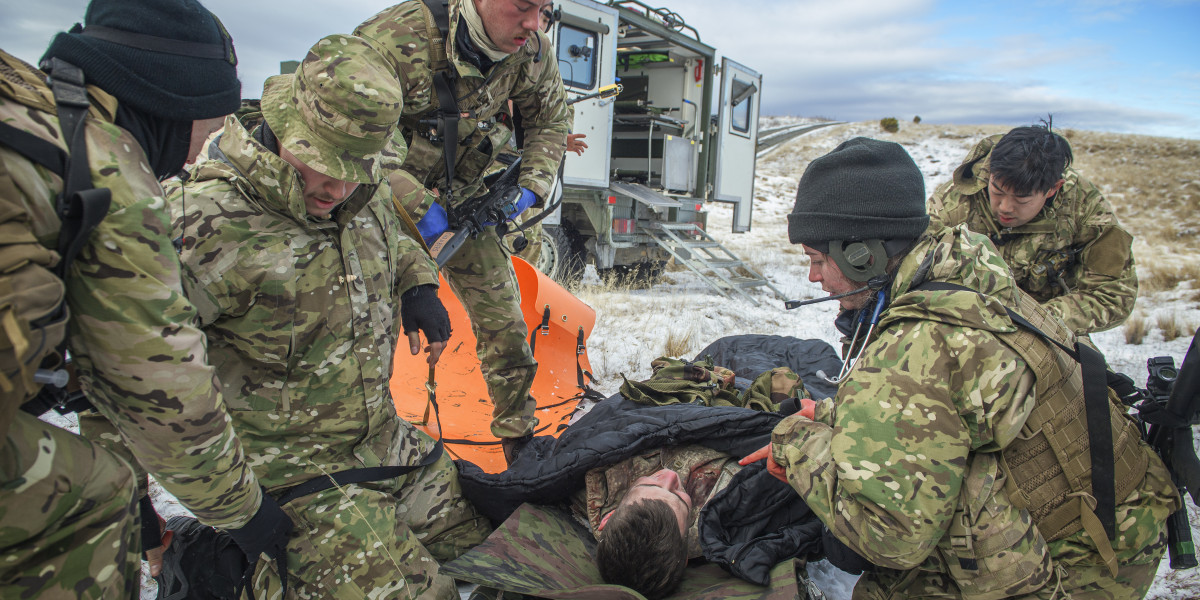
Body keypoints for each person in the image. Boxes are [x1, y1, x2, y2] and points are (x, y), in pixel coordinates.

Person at [744, 137, 1180, 599]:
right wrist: (837, 418)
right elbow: (948, 407)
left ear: (863, 255)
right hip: (1119, 517)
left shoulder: (912, 350)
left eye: (816, 259)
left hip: (1083, 563)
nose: (813, 278)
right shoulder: (971, 274)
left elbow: (892, 539)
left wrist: (794, 444)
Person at [167, 34, 490, 598]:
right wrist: (233, 510)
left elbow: (394, 235)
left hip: (388, 447)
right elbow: (132, 391)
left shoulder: (359, 194)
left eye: (356, 169)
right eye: (323, 164)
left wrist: (418, 284)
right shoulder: (201, 224)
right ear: (284, 126)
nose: (338, 187)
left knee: (508, 557)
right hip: (293, 480)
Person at [0, 1, 266, 596]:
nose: (200, 154)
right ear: (174, 102)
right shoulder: (109, 169)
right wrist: (244, 513)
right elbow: (163, 392)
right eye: (208, 126)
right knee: (90, 494)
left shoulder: (30, 110)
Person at [354, 0, 571, 463]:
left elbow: (550, 121)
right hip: (380, 202)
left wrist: (530, 187)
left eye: (545, 8)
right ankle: (366, 448)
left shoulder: (533, 50)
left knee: (504, 321)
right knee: (368, 326)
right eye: (522, 6)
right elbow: (362, 147)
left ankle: (518, 439)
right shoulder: (396, 36)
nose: (534, 24)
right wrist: (423, 215)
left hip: (466, 202)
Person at [928, 123, 1138, 336]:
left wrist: (1036, 319)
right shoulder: (953, 201)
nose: (1005, 207)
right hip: (963, 319)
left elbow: (1113, 294)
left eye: (1022, 199)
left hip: (1048, 328)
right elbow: (913, 267)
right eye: (997, 191)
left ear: (1052, 188)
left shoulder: (1085, 209)